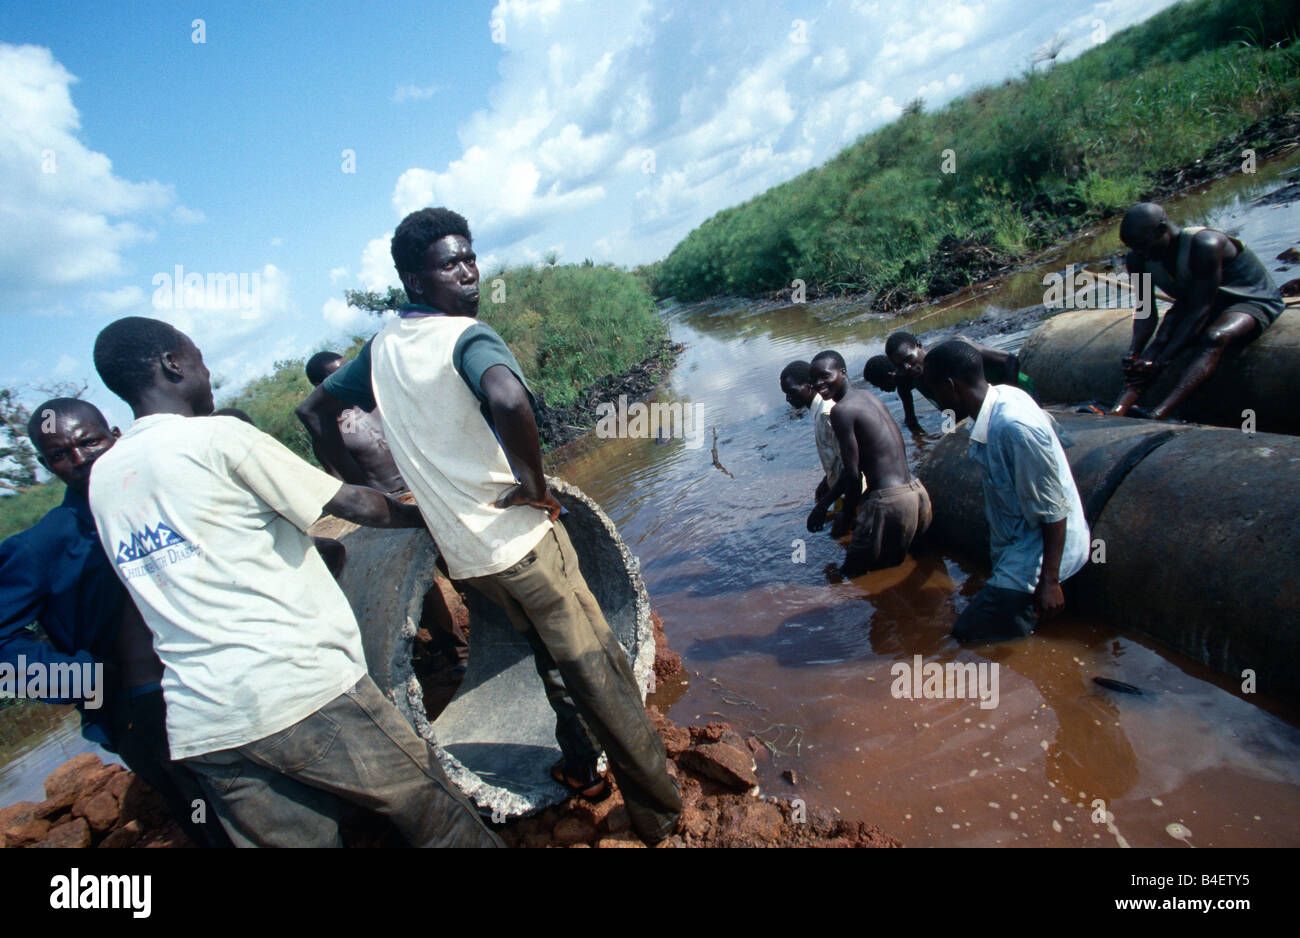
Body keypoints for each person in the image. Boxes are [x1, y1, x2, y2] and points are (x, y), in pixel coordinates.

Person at [297, 207, 681, 845]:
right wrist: (533, 486)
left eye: (470, 256)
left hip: (467, 558)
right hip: (522, 544)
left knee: (548, 654)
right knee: (598, 668)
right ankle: (660, 812)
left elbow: (315, 412)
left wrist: (364, 490)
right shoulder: (466, 337)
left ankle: (581, 769)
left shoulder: (382, 346)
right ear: (415, 279)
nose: (469, 272)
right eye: (451, 263)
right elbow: (506, 399)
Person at [89, 316, 501, 848]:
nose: (208, 370)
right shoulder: (218, 437)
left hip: (205, 724)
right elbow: (354, 503)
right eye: (198, 356)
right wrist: (434, 514)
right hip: (297, 690)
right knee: (435, 813)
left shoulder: (104, 476)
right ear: (172, 363)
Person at [0, 398, 229, 846]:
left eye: (90, 442)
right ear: (49, 466)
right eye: (61, 455)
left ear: (116, 437)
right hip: (144, 709)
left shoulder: (164, 497)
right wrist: (86, 681)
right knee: (205, 814)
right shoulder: (43, 545)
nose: (81, 460)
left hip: (220, 674)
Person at [923, 340, 1090, 642]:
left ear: (950, 386)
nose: (935, 401)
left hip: (1041, 559)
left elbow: (1053, 510)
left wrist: (1049, 583)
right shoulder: (1006, 395)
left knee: (968, 637)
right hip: (1021, 544)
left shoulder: (1012, 427)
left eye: (934, 391)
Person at [1110, 202, 1285, 420]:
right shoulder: (1138, 259)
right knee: (1161, 338)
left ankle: (1161, 412)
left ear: (1162, 230)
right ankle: (1119, 409)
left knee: (1214, 337)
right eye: (1134, 247)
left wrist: (1161, 362)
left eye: (1144, 245)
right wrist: (1134, 350)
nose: (1141, 253)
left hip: (1248, 300)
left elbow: (1200, 311)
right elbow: (1146, 310)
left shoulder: (1205, 245)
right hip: (1195, 299)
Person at [806, 351, 931, 577]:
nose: (818, 384)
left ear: (842, 373)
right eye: (813, 380)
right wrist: (826, 502)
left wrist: (836, 516)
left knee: (849, 578)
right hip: (917, 493)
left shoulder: (841, 410)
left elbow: (852, 476)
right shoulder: (867, 397)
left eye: (824, 376)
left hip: (890, 501)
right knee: (917, 569)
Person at [884, 332, 1036, 431]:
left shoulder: (953, 350)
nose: (907, 367)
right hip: (984, 412)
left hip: (1015, 393)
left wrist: (1008, 401)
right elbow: (948, 409)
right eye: (900, 366)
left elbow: (1009, 360)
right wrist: (949, 434)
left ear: (918, 345)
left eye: (908, 359)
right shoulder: (909, 378)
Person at [779, 360, 863, 537]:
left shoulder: (826, 413)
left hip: (858, 493)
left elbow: (851, 466)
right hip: (849, 490)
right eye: (785, 394)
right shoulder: (820, 411)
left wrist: (823, 505)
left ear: (809, 386)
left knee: (846, 538)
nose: (788, 399)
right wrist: (826, 483)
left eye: (791, 392)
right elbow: (839, 458)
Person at [301, 352, 405, 494]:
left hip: (423, 486)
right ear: (319, 386)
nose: (346, 379)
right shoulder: (328, 435)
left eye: (347, 371)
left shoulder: (378, 402)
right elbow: (341, 484)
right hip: (392, 502)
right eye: (337, 376)